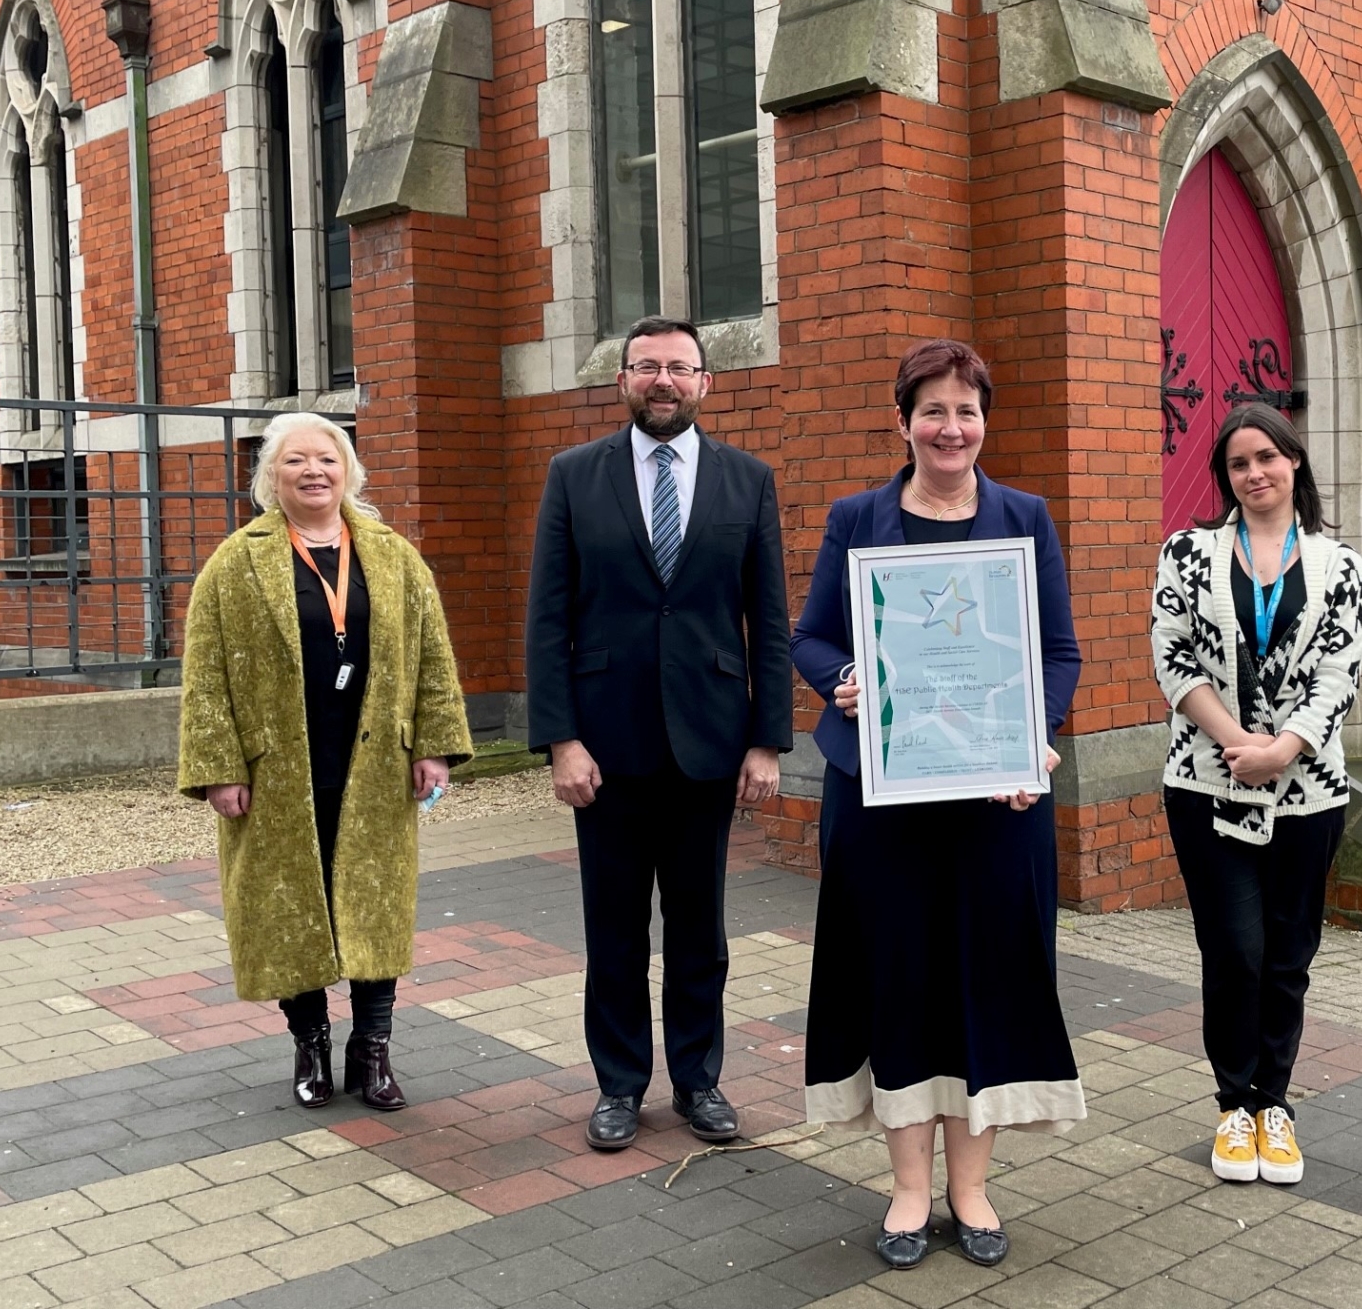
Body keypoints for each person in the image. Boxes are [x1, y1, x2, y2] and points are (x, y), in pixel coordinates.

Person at [792, 339, 1083, 1271]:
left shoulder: (1026, 518)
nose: (950, 428)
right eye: (933, 410)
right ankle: (909, 1192)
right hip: (884, 800)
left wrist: (1034, 731)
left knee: (989, 977)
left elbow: (1059, 651)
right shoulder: (856, 519)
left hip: (996, 799)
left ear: (983, 421)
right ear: (904, 420)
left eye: (966, 410)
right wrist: (844, 679)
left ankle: (973, 1188)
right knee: (900, 977)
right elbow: (813, 639)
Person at [525, 314, 793, 1152]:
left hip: (709, 743)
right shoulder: (574, 475)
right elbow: (547, 619)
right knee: (613, 929)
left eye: (680, 367)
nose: (664, 380)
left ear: (707, 382)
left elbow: (770, 621)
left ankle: (699, 1081)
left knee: (698, 929)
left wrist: (767, 740)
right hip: (604, 750)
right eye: (648, 367)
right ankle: (618, 1086)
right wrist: (560, 740)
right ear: (624, 381)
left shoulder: (747, 480)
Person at [178, 413, 472, 1112]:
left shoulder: (394, 556)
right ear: (269, 479)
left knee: (375, 902)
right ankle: (309, 1042)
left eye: (326, 459)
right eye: (294, 462)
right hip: (277, 768)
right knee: (287, 907)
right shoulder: (235, 562)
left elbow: (432, 654)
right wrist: (220, 766)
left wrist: (434, 743)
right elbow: (206, 673)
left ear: (349, 473)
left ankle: (372, 1048)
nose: (313, 471)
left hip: (374, 762)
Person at [1150, 402, 1362, 1187]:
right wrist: (1236, 743)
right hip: (1207, 783)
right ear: (1226, 477)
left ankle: (1273, 1103)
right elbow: (1173, 658)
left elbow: (1341, 673)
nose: (1255, 474)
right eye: (1239, 463)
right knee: (1233, 950)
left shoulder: (1340, 564)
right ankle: (1231, 1106)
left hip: (1308, 789)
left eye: (1267, 458)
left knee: (1287, 955)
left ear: (1295, 463)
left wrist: (1283, 748)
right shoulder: (1187, 554)